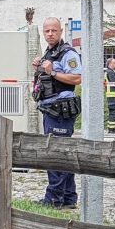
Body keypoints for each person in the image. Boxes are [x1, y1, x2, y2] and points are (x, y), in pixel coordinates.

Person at [31, 17, 82, 209]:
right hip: (50, 109)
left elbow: (77, 78)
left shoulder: (67, 53)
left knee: (55, 154)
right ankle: (68, 197)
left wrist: (52, 72)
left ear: (61, 31)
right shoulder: (49, 53)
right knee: (64, 154)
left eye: (54, 30)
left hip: (61, 111)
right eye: (47, 31)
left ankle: (53, 199)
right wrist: (39, 68)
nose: (50, 34)